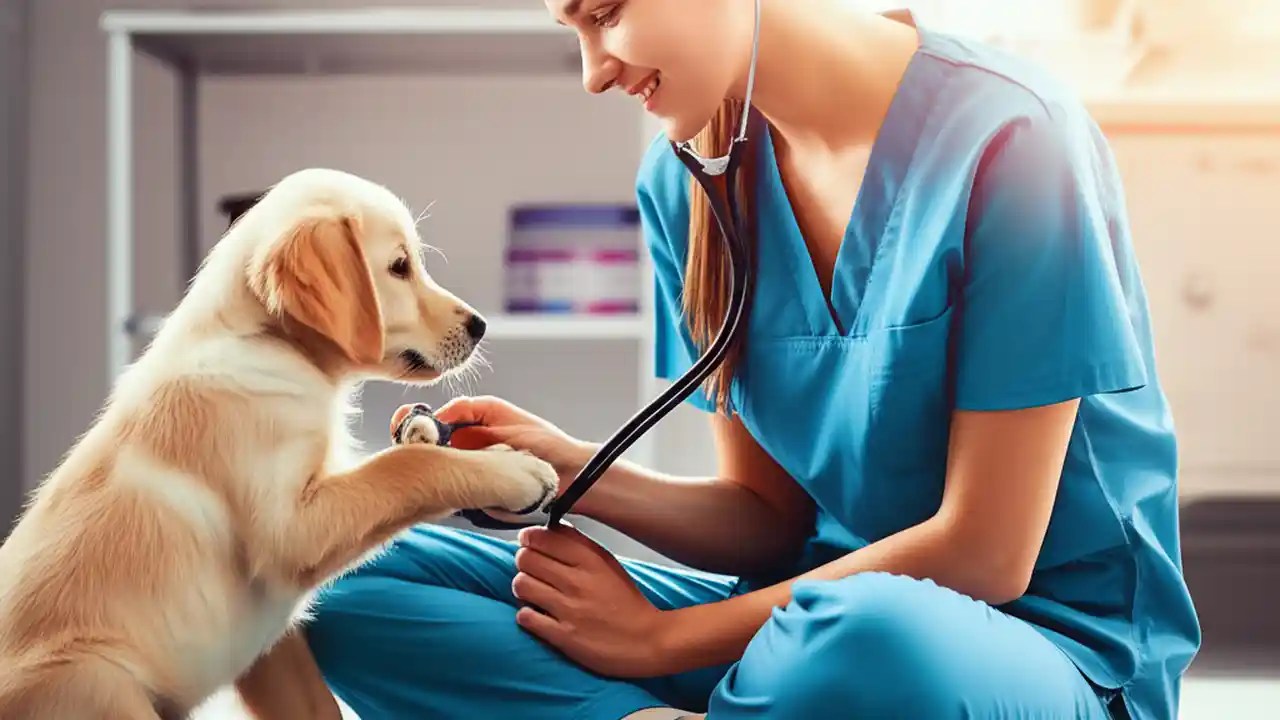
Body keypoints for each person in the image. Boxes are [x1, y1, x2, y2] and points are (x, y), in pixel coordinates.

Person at [303, 2, 1201, 718]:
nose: (593, 71)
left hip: (1030, 652)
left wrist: (660, 643)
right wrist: (564, 469)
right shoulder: (686, 179)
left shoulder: (1016, 137)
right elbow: (766, 519)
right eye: (573, 29)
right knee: (345, 577)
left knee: (868, 640)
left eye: (606, 14)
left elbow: (987, 555)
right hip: (790, 635)